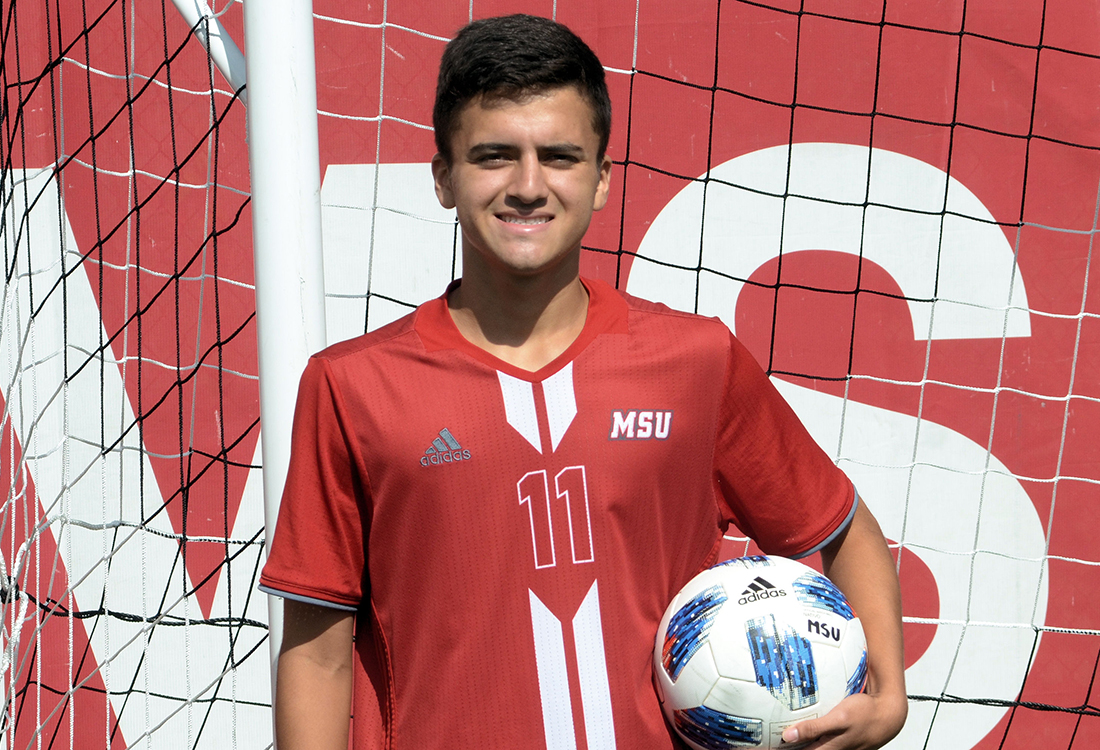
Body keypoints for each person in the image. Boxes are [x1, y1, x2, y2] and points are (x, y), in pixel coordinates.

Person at [259, 13, 907, 750]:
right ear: (443, 177)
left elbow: (841, 528)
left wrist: (885, 698)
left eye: (560, 157)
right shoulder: (352, 387)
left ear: (601, 180)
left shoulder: (695, 360)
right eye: (495, 156)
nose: (528, 186)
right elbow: (315, 653)